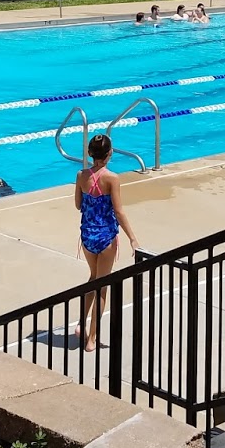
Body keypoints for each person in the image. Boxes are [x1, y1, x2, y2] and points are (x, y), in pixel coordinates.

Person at [74, 133, 139, 352]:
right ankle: (91, 339)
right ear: (110, 153)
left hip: (87, 236)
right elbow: (119, 212)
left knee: (93, 278)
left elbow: (78, 205)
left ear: (90, 153)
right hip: (106, 237)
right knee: (102, 287)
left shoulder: (81, 175)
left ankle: (81, 323)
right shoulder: (112, 179)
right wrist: (132, 238)